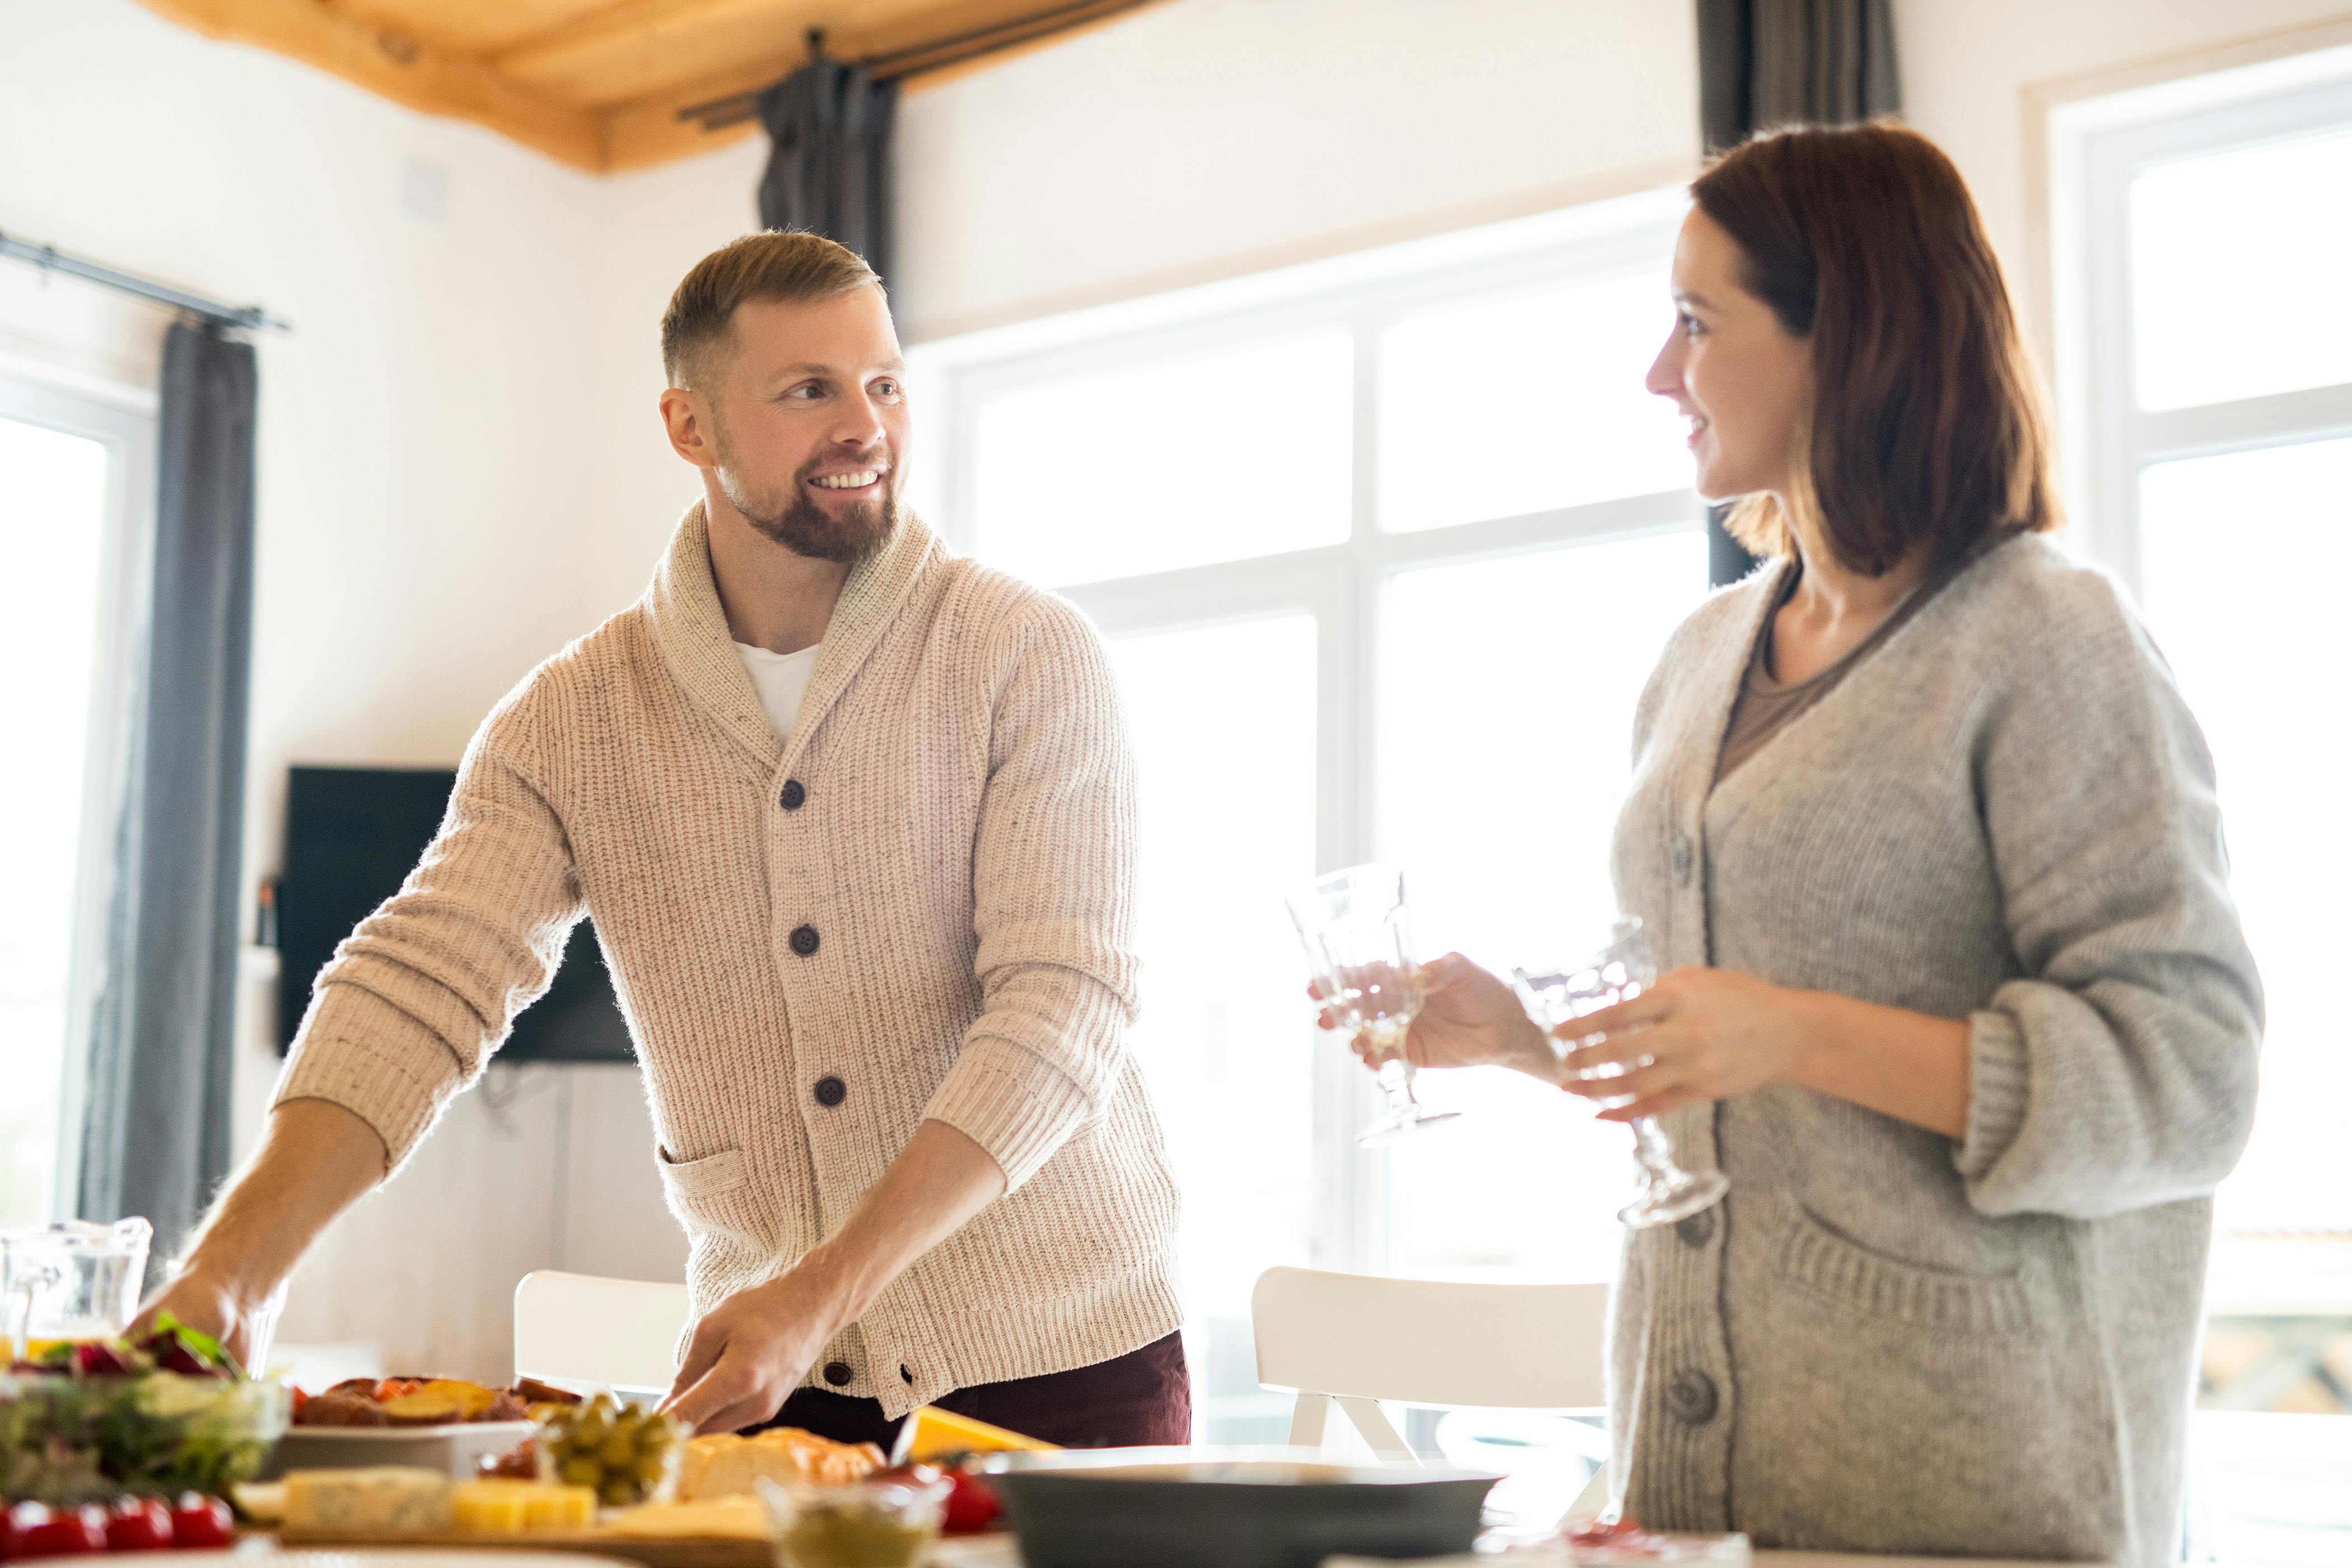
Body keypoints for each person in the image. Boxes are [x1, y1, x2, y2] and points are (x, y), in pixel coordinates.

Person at [1341, 123, 2260, 1567]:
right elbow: (1729, 1066)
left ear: (1851, 337)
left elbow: (2191, 1081)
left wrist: (1801, 1030)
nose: (1660, 373)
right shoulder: (1702, 652)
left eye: (1697, 322)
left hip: (1976, 1500)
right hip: (1699, 1490)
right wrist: (1521, 1033)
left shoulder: (2047, 636)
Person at [139, 231, 1188, 1449]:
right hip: (771, 1376)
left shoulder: (1026, 654)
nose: (865, 426)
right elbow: (418, 985)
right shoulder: (570, 719)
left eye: (884, 383)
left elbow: (1063, 1008)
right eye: (810, 389)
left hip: (1070, 1370)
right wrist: (232, 1274)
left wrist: (821, 1289)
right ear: (690, 425)